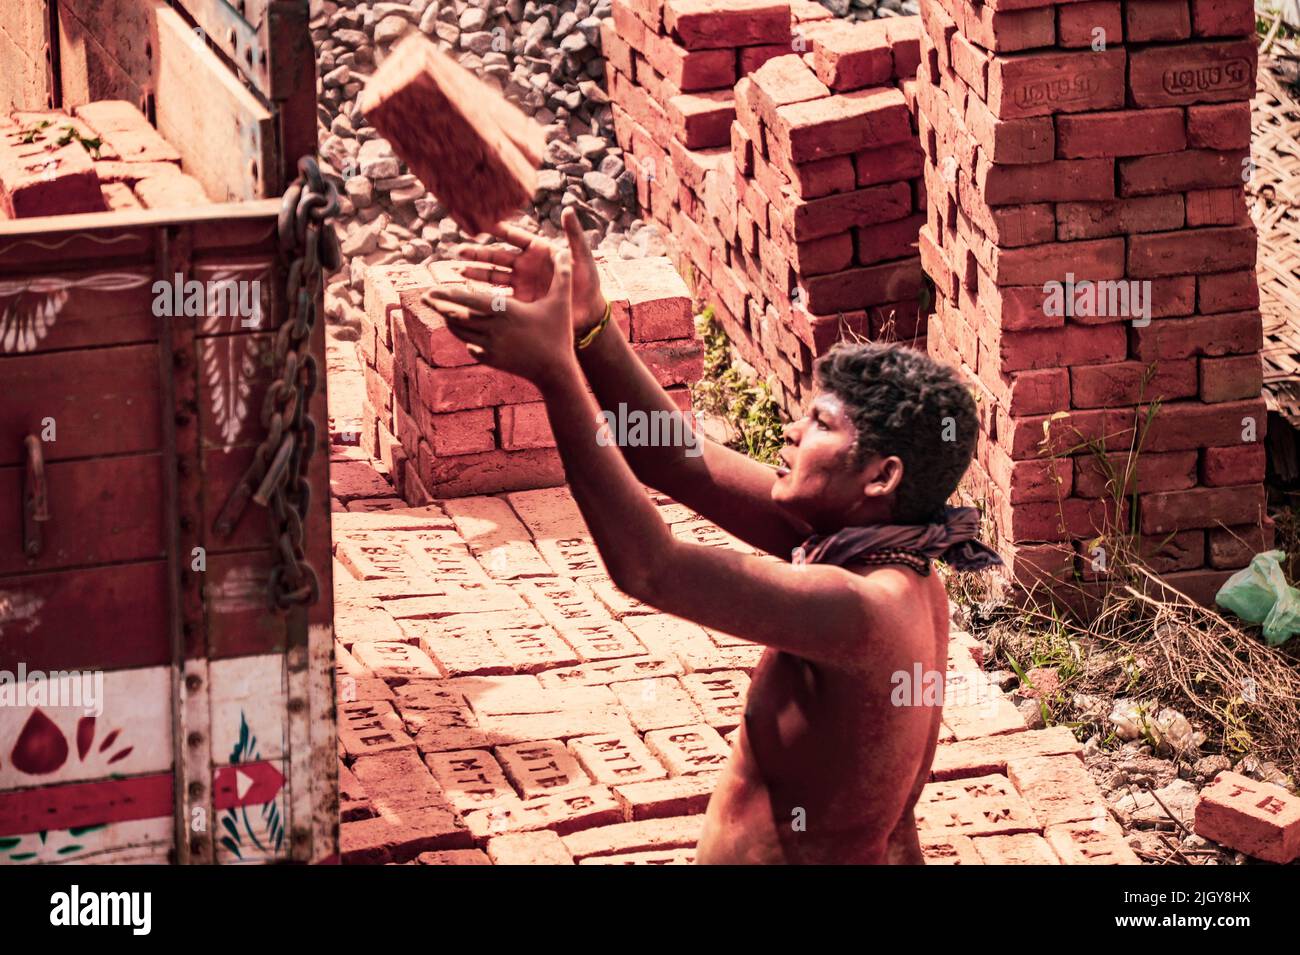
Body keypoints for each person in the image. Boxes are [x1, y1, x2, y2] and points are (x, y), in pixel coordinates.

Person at [428, 209, 1000, 864]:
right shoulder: (890, 556)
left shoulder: (859, 608)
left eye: (818, 424)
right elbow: (671, 457)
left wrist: (556, 374)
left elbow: (652, 567)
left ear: (880, 475)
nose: (790, 433)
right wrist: (588, 327)